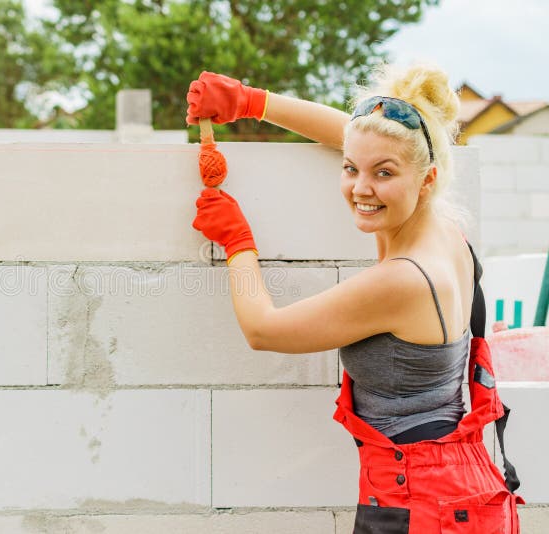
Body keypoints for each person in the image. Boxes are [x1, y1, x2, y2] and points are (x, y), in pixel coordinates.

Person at [186, 64, 523, 533]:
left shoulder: (401, 282)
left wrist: (238, 243)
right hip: (462, 488)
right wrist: (249, 101)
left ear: (426, 178)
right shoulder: (444, 230)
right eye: (350, 169)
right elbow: (361, 141)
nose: (361, 188)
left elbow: (262, 329)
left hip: (418, 506)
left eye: (382, 174)